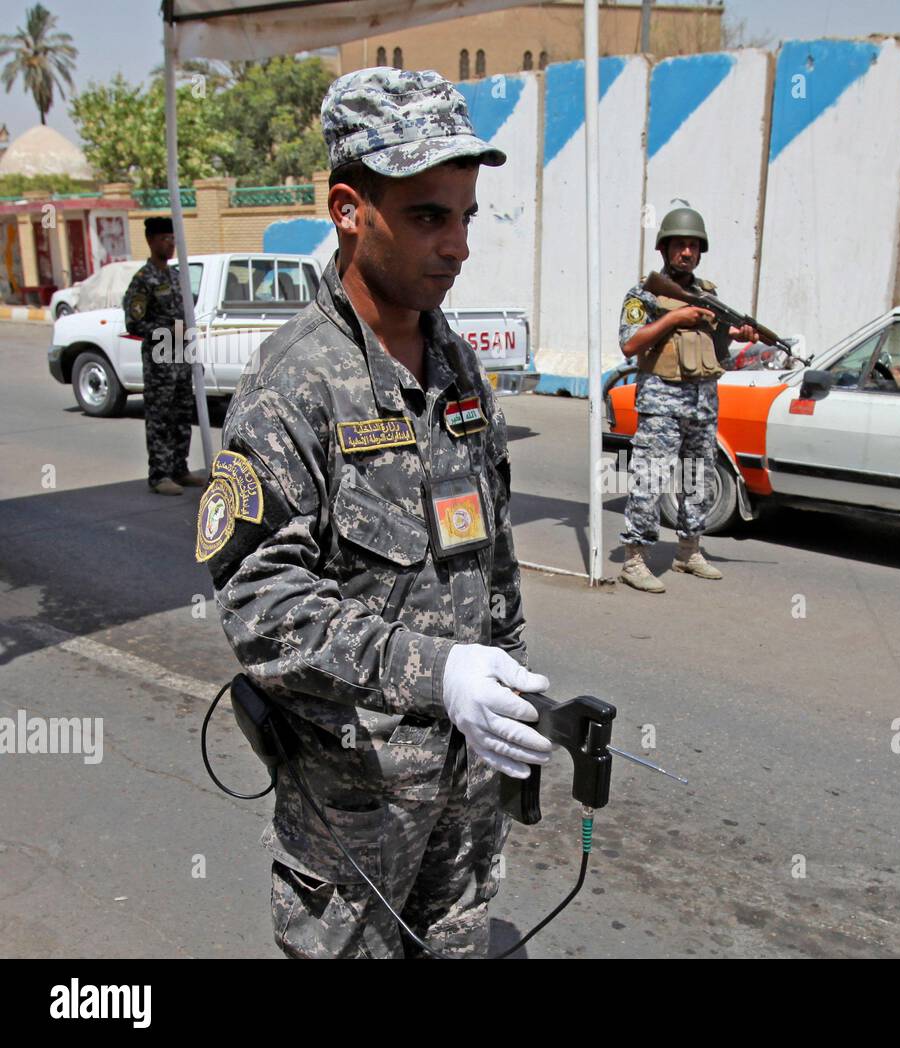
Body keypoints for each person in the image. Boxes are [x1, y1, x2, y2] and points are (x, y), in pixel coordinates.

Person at [197, 67, 553, 959]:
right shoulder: (292, 386)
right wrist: (439, 674)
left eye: (467, 216)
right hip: (355, 810)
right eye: (430, 216)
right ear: (350, 208)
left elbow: (490, 565)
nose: (459, 246)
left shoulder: (456, 366)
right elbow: (263, 609)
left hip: (463, 798)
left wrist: (507, 692)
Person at [616, 207, 758, 593]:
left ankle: (688, 551)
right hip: (661, 400)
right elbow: (630, 343)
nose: (687, 252)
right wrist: (672, 320)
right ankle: (634, 558)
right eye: (680, 245)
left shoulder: (708, 296)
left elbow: (717, 348)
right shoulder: (645, 293)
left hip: (703, 401)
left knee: (698, 475)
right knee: (651, 477)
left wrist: (740, 334)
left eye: (693, 246)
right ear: (664, 249)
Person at [122, 216, 204, 494]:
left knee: (182, 415)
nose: (170, 244)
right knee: (160, 417)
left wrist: (194, 357)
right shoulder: (144, 280)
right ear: (150, 241)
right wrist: (167, 330)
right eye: (164, 239)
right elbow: (134, 323)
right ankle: (159, 475)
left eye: (172, 239)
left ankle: (179, 469)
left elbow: (187, 317)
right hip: (160, 362)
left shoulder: (175, 275)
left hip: (181, 359)